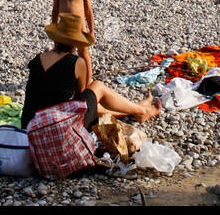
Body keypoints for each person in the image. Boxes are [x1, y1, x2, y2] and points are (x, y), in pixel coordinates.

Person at [19, 13, 159, 161]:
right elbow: (81, 102)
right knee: (97, 87)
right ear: (74, 43)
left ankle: (134, 110)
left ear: (56, 39)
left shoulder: (38, 59)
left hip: (29, 126)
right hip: (57, 129)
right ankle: (141, 110)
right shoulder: (76, 62)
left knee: (87, 100)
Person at [51, 0, 95, 75]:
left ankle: (88, 79)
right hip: (63, 28)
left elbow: (88, 11)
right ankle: (65, 78)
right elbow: (55, 10)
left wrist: (91, 30)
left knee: (83, 54)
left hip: (79, 28)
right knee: (62, 54)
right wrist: (54, 27)